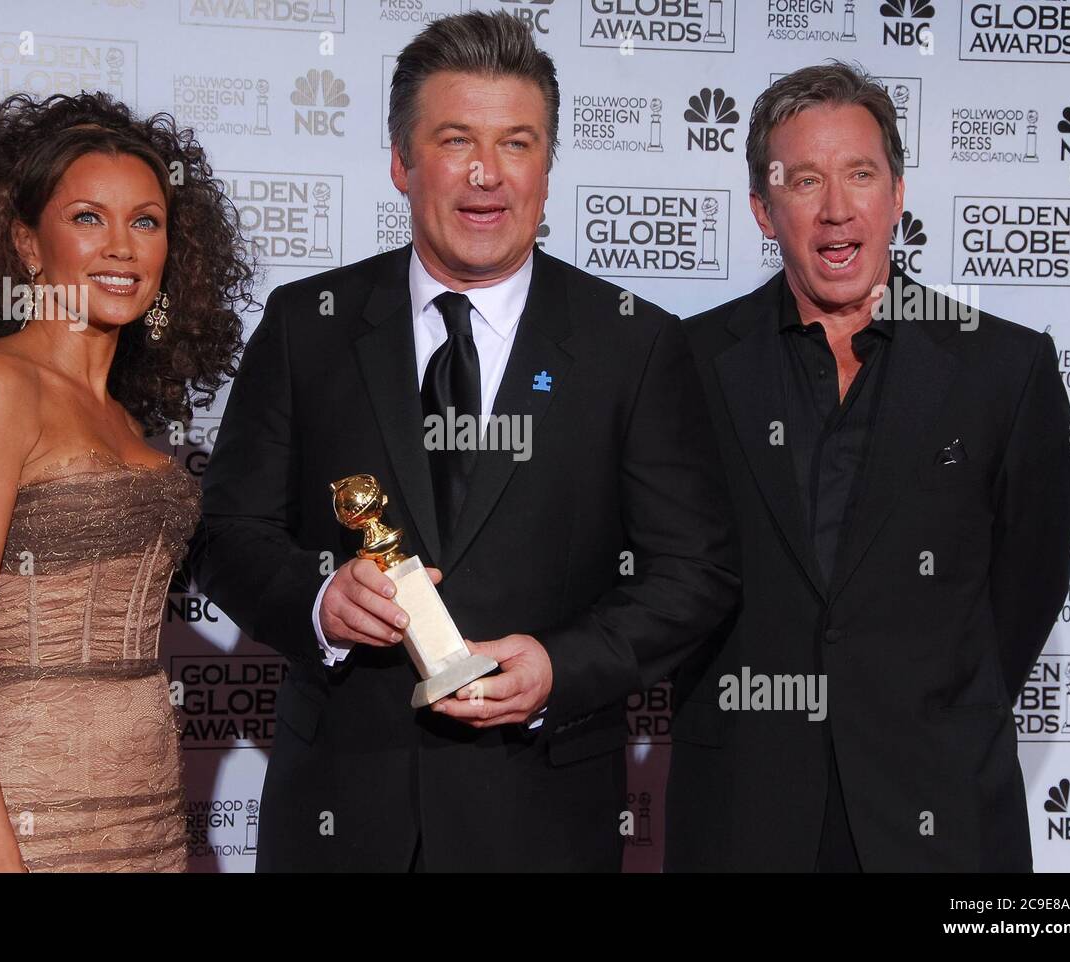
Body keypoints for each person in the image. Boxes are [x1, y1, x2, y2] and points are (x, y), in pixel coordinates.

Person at [190, 11, 738, 872]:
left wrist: (561, 668)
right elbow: (227, 535)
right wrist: (320, 601)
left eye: (517, 144)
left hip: (542, 818)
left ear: (548, 170)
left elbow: (697, 572)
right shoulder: (309, 327)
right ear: (404, 163)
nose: (487, 175)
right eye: (456, 140)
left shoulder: (632, 344)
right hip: (341, 815)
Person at [669, 63, 1070, 872]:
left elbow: (1026, 586)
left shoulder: (1004, 367)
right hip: (745, 807)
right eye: (804, 180)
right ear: (762, 208)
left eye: (860, 174)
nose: (835, 209)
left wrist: (925, 700)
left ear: (896, 194)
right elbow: (665, 572)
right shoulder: (690, 363)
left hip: (940, 807)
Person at [0, 91, 250, 872]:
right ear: (28, 243)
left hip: (148, 814)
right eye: (88, 218)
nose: (122, 247)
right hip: (27, 816)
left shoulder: (128, 422)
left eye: (147, 221)